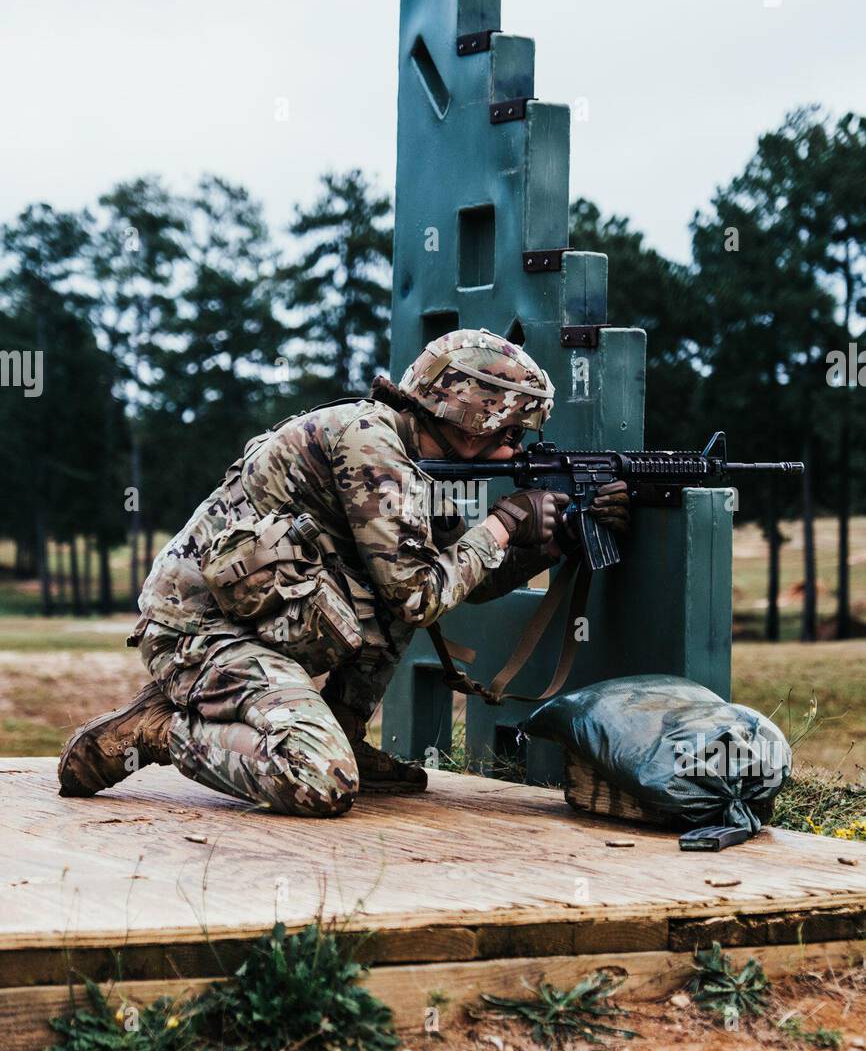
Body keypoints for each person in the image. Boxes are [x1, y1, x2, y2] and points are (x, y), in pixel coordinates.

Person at [58, 329, 629, 817]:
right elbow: (421, 596)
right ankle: (158, 729)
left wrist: (550, 543)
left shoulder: (409, 461)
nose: (512, 455)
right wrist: (507, 521)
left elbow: (462, 578)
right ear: (474, 417)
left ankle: (344, 731)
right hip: (200, 632)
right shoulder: (372, 449)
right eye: (510, 436)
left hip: (262, 617)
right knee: (317, 779)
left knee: (402, 586)